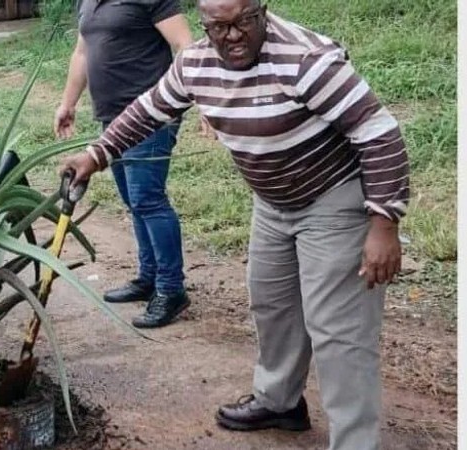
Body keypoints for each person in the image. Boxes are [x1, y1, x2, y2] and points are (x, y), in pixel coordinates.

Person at [59, 0, 409, 448]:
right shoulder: (196, 62)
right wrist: (96, 154)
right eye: (219, 26)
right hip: (272, 202)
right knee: (272, 304)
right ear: (204, 24)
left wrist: (384, 223)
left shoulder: (305, 60)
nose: (234, 35)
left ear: (262, 10)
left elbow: (379, 134)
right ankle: (280, 402)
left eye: (245, 20)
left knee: (339, 331)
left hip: (333, 199)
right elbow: (148, 109)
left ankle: (355, 441)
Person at [53, 0, 193, 328]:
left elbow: (184, 45)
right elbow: (82, 52)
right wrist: (67, 103)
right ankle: (149, 277)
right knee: (134, 200)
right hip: (112, 121)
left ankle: (171, 288)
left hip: (151, 117)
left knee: (147, 199)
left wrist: (186, 97)